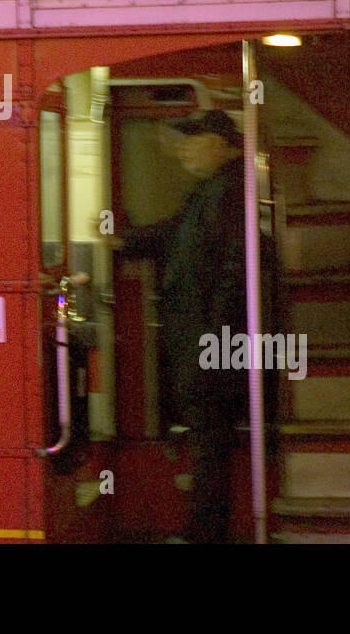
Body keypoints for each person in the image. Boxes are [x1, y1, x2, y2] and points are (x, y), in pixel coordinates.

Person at [115, 109, 253, 543]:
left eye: (194, 141)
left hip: (209, 343)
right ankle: (203, 530)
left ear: (220, 143)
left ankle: (205, 534)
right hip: (203, 341)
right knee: (207, 440)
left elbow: (235, 270)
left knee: (210, 442)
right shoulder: (211, 191)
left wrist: (213, 340)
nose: (186, 150)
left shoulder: (228, 191)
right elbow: (171, 234)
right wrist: (120, 241)